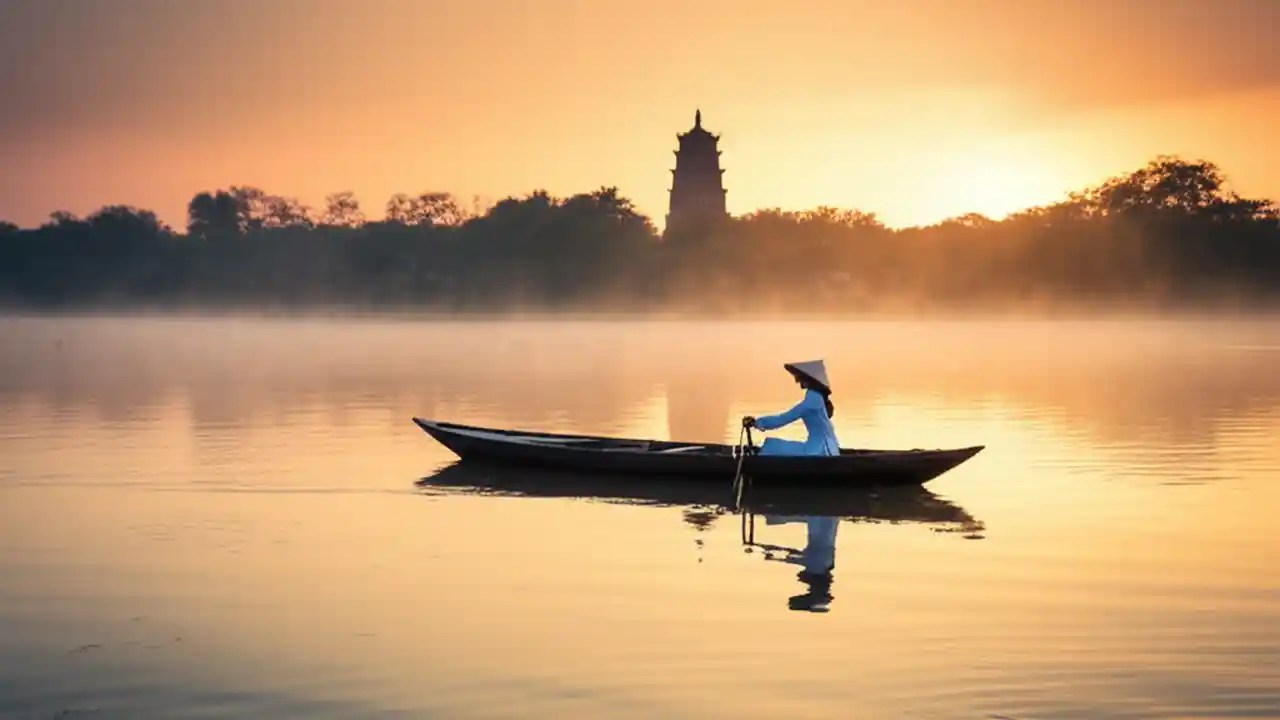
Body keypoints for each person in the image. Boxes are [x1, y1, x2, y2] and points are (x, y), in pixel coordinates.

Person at [744, 360, 840, 456]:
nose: (798, 382)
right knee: (779, 446)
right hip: (831, 449)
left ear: (808, 379)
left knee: (772, 446)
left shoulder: (811, 402)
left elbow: (782, 419)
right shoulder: (819, 398)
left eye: (800, 379)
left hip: (818, 451)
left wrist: (757, 423)